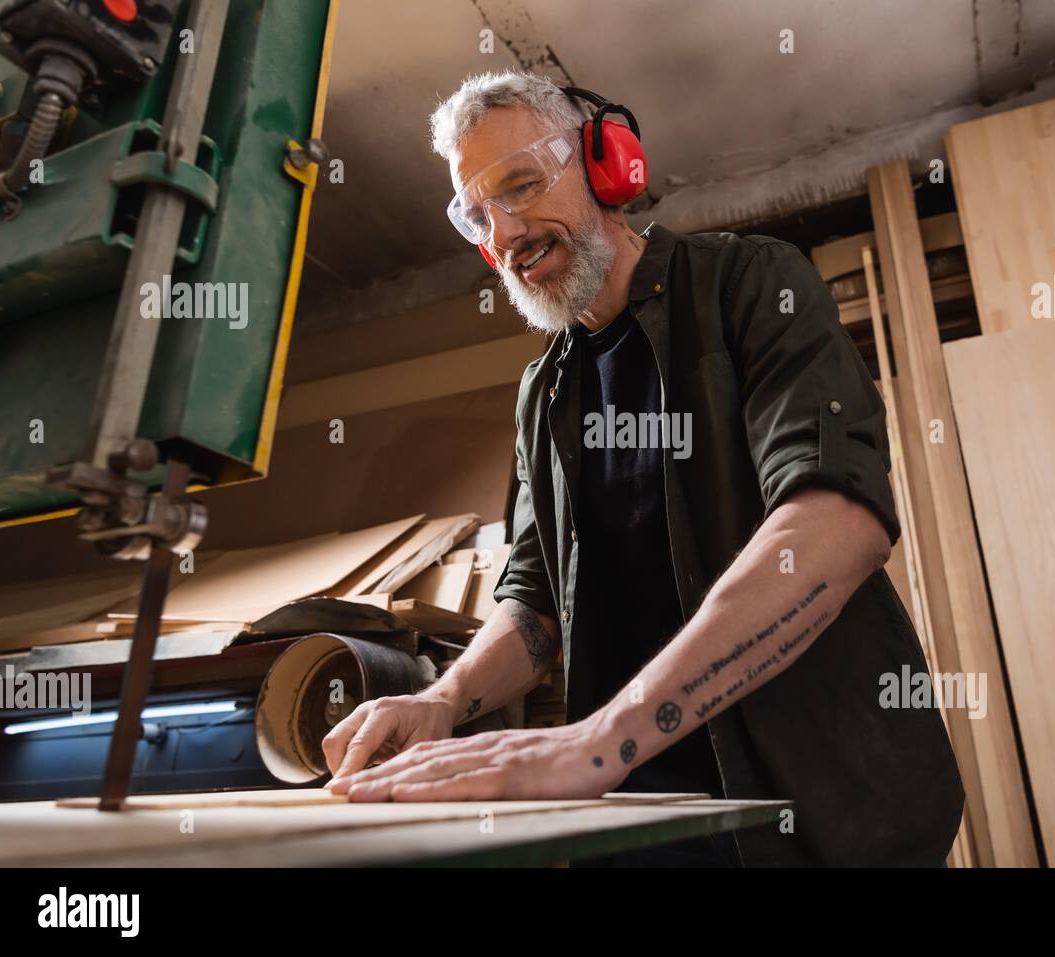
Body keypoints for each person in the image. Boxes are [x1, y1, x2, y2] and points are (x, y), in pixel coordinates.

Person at [322, 71, 964, 867]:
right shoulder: (542, 393)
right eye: (480, 216)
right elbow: (534, 604)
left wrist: (600, 740)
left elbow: (838, 520)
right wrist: (443, 699)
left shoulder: (748, 283)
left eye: (522, 185)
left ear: (604, 167)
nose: (509, 231)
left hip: (824, 813)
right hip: (647, 819)